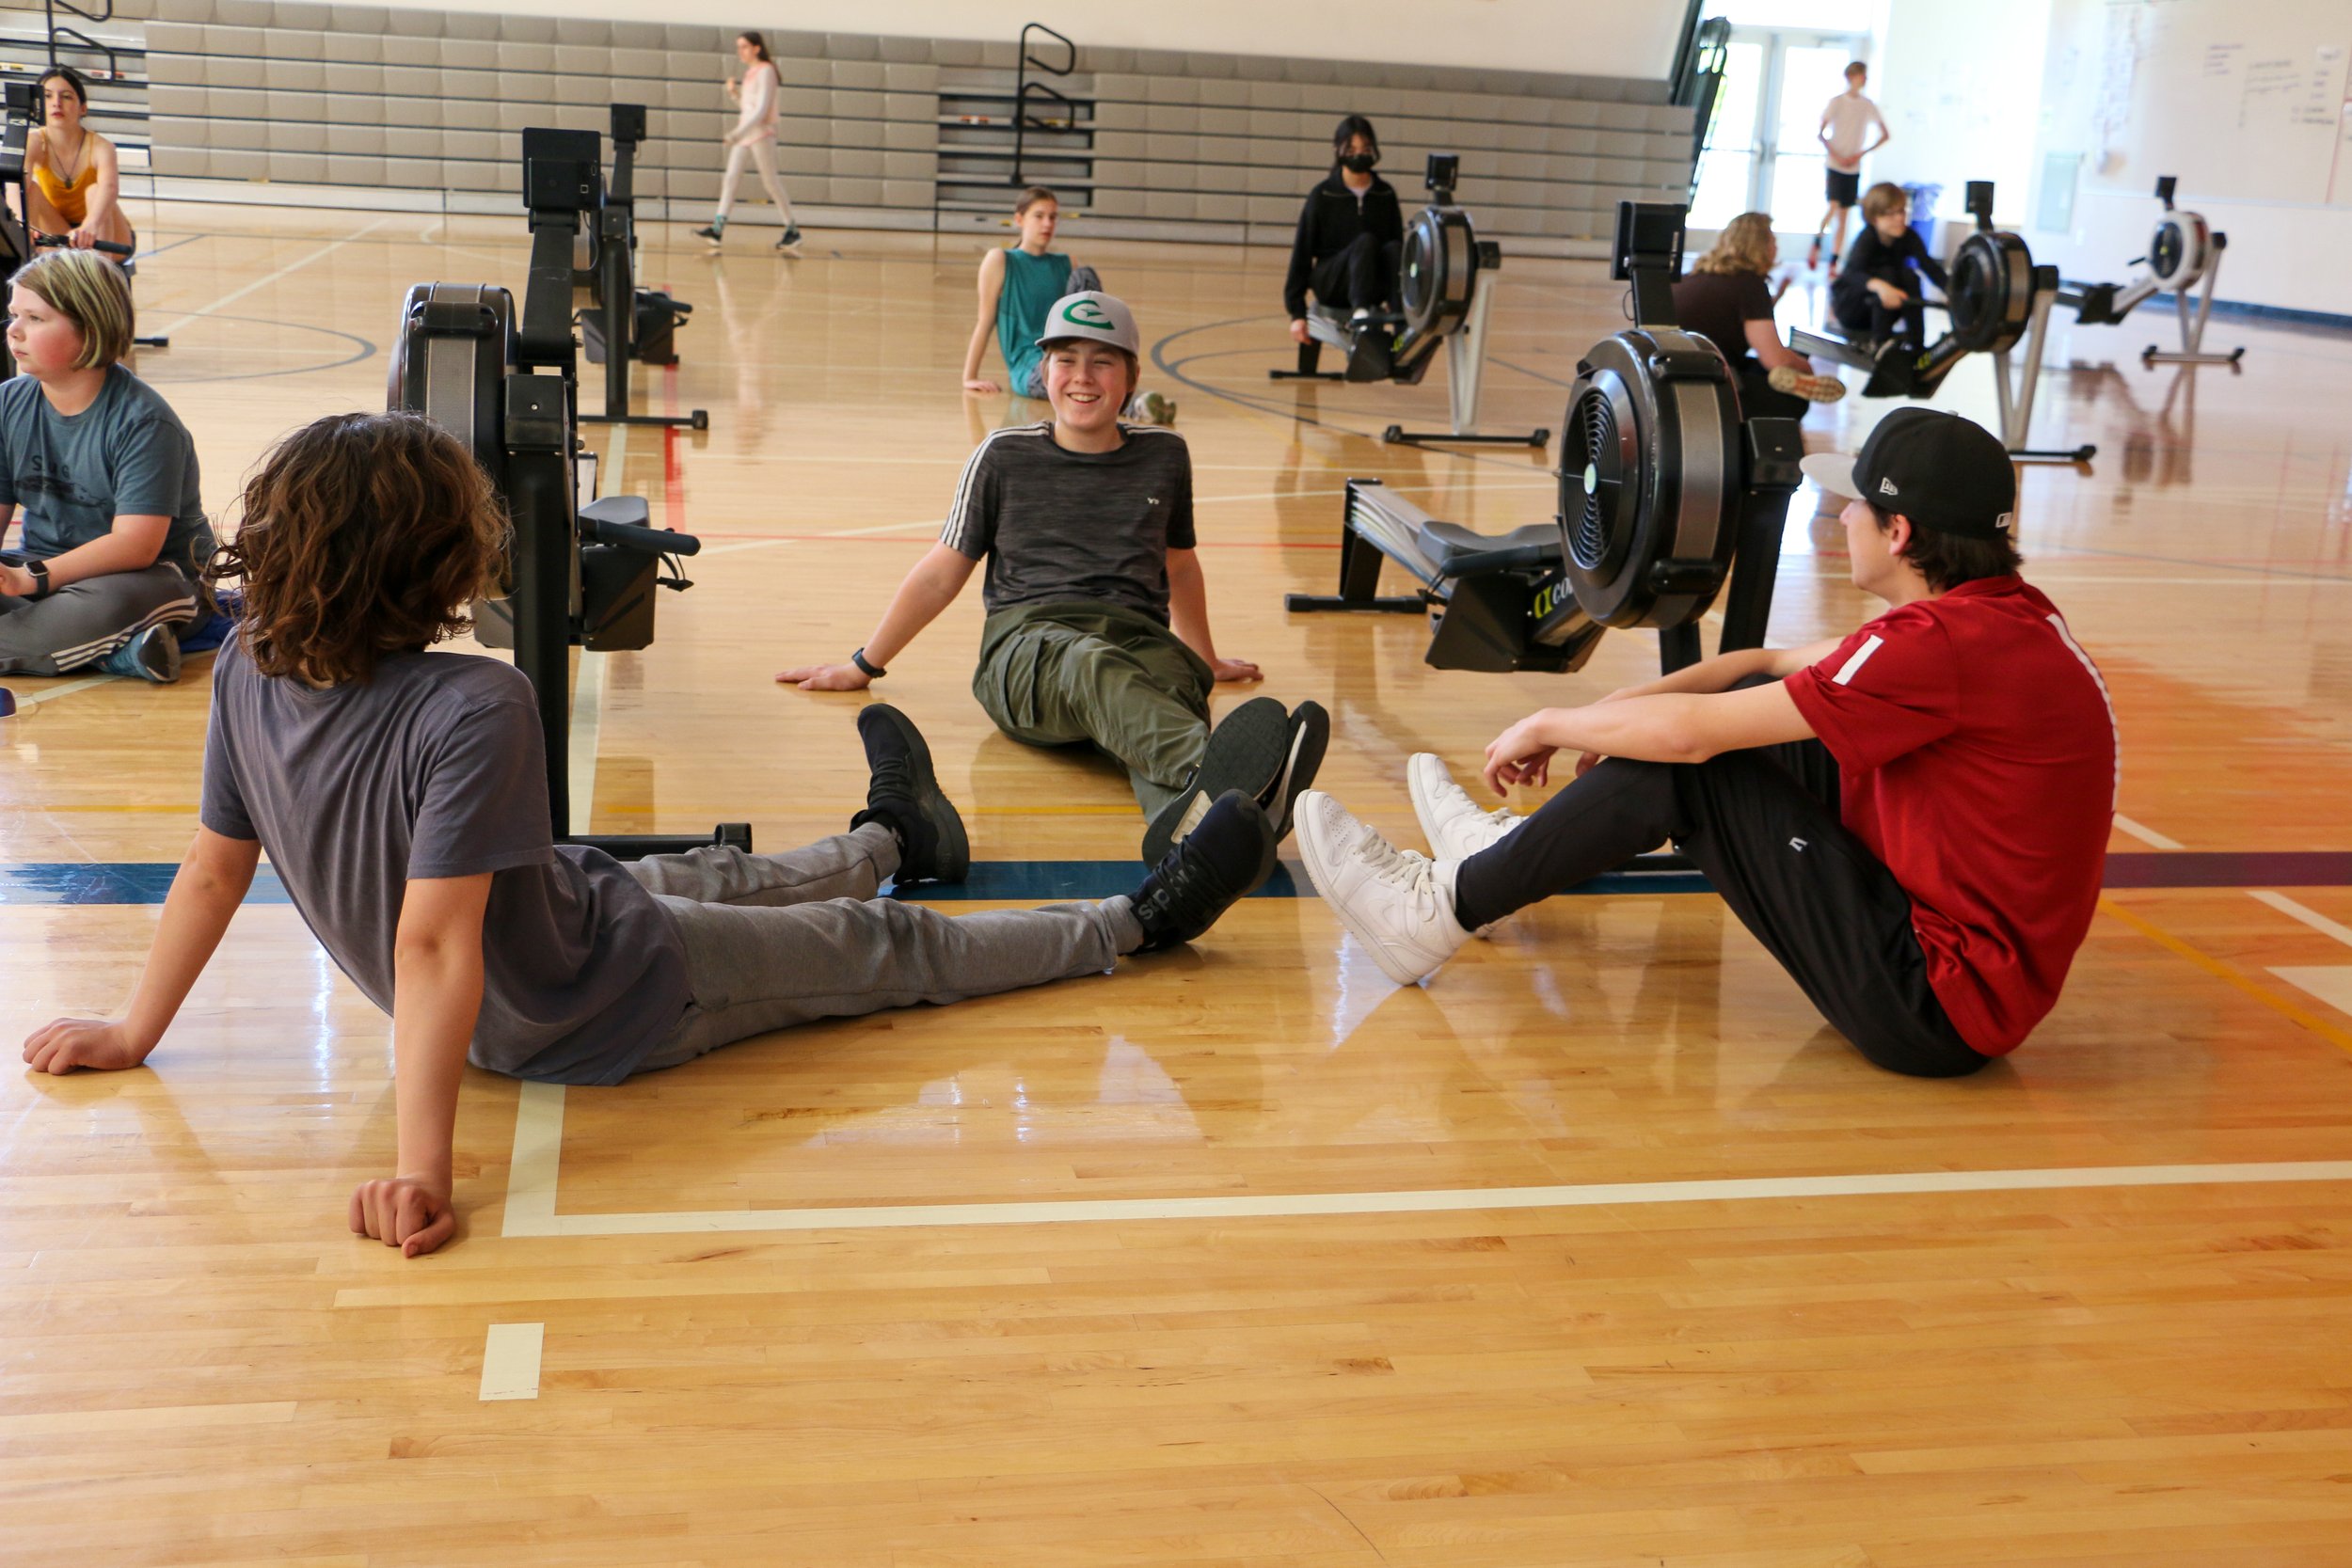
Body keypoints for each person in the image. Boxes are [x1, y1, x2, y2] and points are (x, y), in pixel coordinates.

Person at [19, 410, 1283, 1259]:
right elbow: (431, 947)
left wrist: (135, 1031)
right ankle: (1138, 919)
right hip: (596, 997)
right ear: (443, 555)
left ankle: (896, 831)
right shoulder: (474, 700)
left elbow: (211, 866)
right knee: (878, 952)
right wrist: (425, 1168)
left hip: (566, 924)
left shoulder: (248, 663)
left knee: (725, 871)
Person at [1292, 408, 2119, 1079]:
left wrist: (1550, 723)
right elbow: (1760, 666)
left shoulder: (1939, 645)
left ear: (1899, 532)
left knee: (1697, 771)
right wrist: (1615, 705)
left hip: (1935, 1005)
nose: (1843, 516)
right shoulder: (1998, 617)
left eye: (1857, 503)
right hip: (1963, 971)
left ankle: (1434, 913)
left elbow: (1690, 740)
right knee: (1748, 716)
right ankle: (1508, 852)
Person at [781, 291, 1328, 866]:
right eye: (1066, 359)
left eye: (1103, 360)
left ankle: (1202, 838)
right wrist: (863, 664)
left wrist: (1206, 660)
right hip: (1026, 648)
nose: (1082, 376)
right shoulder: (1002, 456)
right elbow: (941, 574)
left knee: (1167, 690)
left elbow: (1179, 563)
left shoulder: (1166, 455)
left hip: (1139, 641)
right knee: (1090, 663)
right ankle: (1233, 778)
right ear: (1044, 372)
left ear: (1131, 376)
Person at [0, 248, 208, 682]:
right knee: (58, 611)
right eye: (14, 314)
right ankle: (118, 652)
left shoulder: (145, 421)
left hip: (149, 578)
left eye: (35, 319)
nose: (14, 331)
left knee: (106, 604)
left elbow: (135, 546)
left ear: (90, 327)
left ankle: (80, 641)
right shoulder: (7, 404)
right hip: (45, 569)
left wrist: (32, 580)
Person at [960, 185, 1173, 426]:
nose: (1047, 224)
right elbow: (984, 321)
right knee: (1059, 377)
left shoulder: (1066, 263)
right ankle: (1137, 404)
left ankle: (1127, 387)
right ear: (1019, 219)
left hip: (1071, 355)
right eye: (1039, 216)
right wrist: (969, 377)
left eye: (1053, 217)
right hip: (1029, 365)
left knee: (1085, 275)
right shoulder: (1001, 260)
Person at [1674, 212, 1844, 418]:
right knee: (1792, 398)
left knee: (1762, 369)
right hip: (1715, 385)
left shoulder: (1690, 278)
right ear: (1760, 247)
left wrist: (1779, 294)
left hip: (1677, 379)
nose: (1776, 248)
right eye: (1772, 241)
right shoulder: (1749, 284)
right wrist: (1804, 366)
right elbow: (1774, 359)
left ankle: (1784, 377)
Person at [1282, 114, 1404, 375]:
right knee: (1366, 241)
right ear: (1338, 151)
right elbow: (1301, 255)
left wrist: (1399, 299)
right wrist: (1297, 313)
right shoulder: (1323, 195)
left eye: (1365, 149)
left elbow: (1398, 249)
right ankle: (1360, 318)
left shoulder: (1385, 194)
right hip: (1333, 280)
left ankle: (1402, 327)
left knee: (1394, 248)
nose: (1359, 155)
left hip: (1372, 282)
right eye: (1352, 149)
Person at [691, 31, 801, 254]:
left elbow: (760, 111)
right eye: (738, 47)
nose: (740, 51)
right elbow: (748, 108)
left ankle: (792, 229)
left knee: (770, 182)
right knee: (731, 179)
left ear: (756, 48)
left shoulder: (767, 71)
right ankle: (717, 229)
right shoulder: (751, 73)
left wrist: (735, 133)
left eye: (744, 47)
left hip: (761, 134)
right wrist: (735, 94)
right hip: (747, 134)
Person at [23, 67, 136, 264]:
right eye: (48, 96)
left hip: (105, 230)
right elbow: (16, 186)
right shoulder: (34, 142)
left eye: (66, 97)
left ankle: (100, 276)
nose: (56, 103)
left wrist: (89, 225)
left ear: (83, 108)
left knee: (94, 190)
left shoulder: (102, 147)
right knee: (30, 191)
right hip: (62, 231)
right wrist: (21, 227)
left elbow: (110, 188)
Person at [1830, 182, 1947, 356]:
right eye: (1891, 214)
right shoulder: (1867, 238)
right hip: (1853, 309)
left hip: (1882, 308)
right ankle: (1880, 343)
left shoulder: (1909, 236)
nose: (1900, 218)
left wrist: (1952, 291)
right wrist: (1880, 286)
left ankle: (1917, 344)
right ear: (1875, 218)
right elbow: (1852, 275)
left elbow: (1929, 266)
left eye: (1901, 211)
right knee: (1888, 274)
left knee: (1910, 277)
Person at [1808, 61, 1887, 274]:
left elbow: (1884, 134)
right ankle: (1817, 241)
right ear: (1852, 76)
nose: (1864, 79)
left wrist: (1860, 154)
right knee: (1833, 206)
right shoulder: (1836, 103)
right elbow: (1821, 133)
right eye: (1862, 75)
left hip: (1853, 167)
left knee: (1844, 215)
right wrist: (1837, 155)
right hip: (1835, 164)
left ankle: (1834, 260)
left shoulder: (1867, 105)